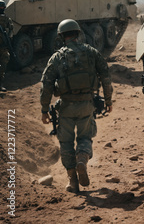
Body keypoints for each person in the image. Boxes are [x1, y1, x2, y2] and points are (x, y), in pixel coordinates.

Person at [40, 19, 113, 193]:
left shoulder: (57, 57)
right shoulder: (92, 52)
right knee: (85, 137)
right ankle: (82, 159)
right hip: (87, 104)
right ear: (78, 33)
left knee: (65, 142)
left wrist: (44, 110)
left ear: (61, 36)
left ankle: (72, 180)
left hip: (66, 106)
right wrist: (108, 101)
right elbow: (105, 76)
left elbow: (46, 85)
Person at [0, 1, 10, 92]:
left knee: (3, 64)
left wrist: (8, 39)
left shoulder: (6, 19)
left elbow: (10, 30)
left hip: (3, 46)